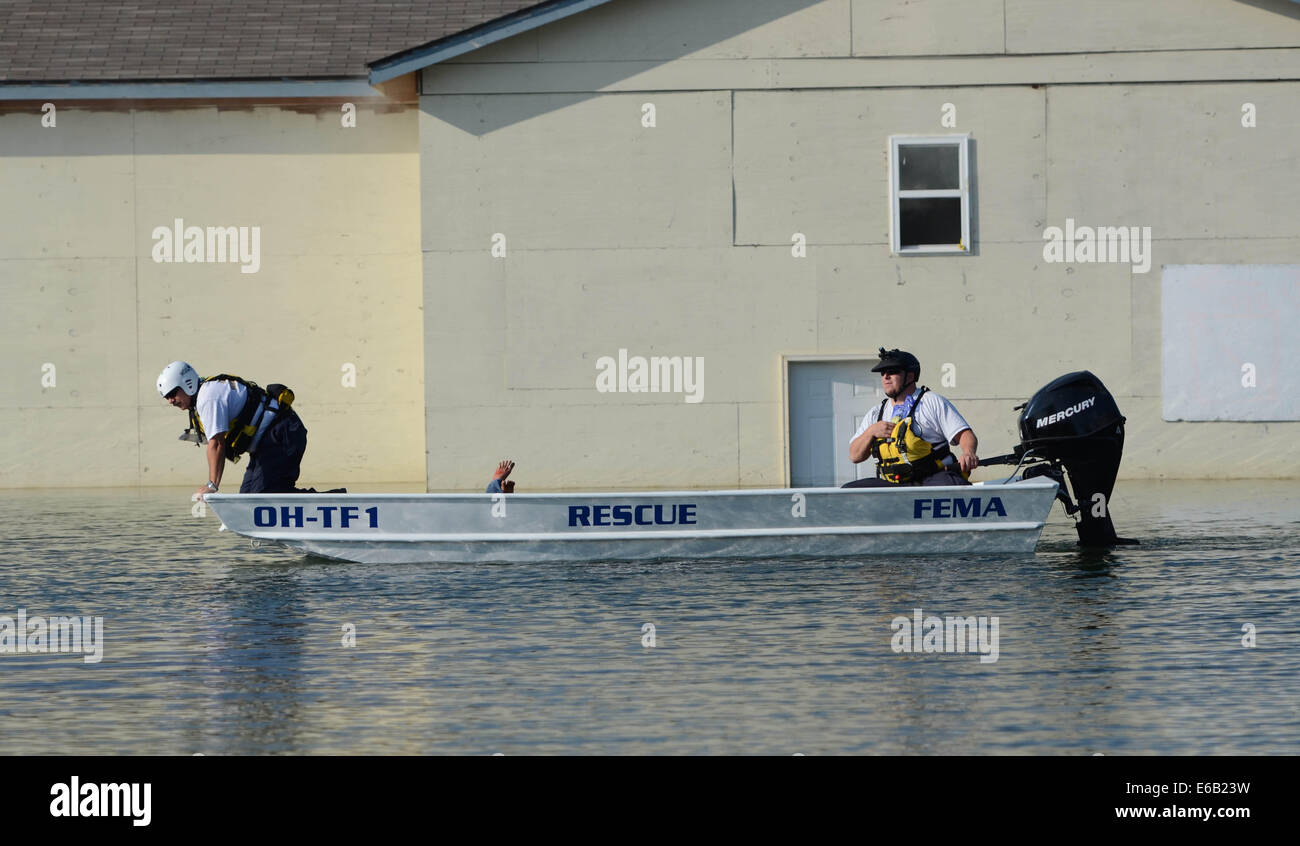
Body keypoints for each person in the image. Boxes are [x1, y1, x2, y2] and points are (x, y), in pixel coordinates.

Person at [158, 361, 313, 498]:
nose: (171, 401)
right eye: (167, 397)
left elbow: (217, 444)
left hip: (282, 433)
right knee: (247, 499)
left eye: (173, 393)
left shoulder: (208, 398)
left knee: (263, 497)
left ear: (187, 384)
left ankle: (332, 501)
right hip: (268, 442)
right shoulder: (204, 396)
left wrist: (212, 485)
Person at [843, 348, 978, 487]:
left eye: (892, 371)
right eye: (883, 373)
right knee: (849, 491)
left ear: (910, 376)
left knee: (950, 485)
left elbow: (965, 434)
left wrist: (968, 453)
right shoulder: (876, 413)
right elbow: (855, 456)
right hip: (894, 485)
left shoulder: (931, 402)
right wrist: (870, 432)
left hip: (932, 479)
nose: (885, 377)